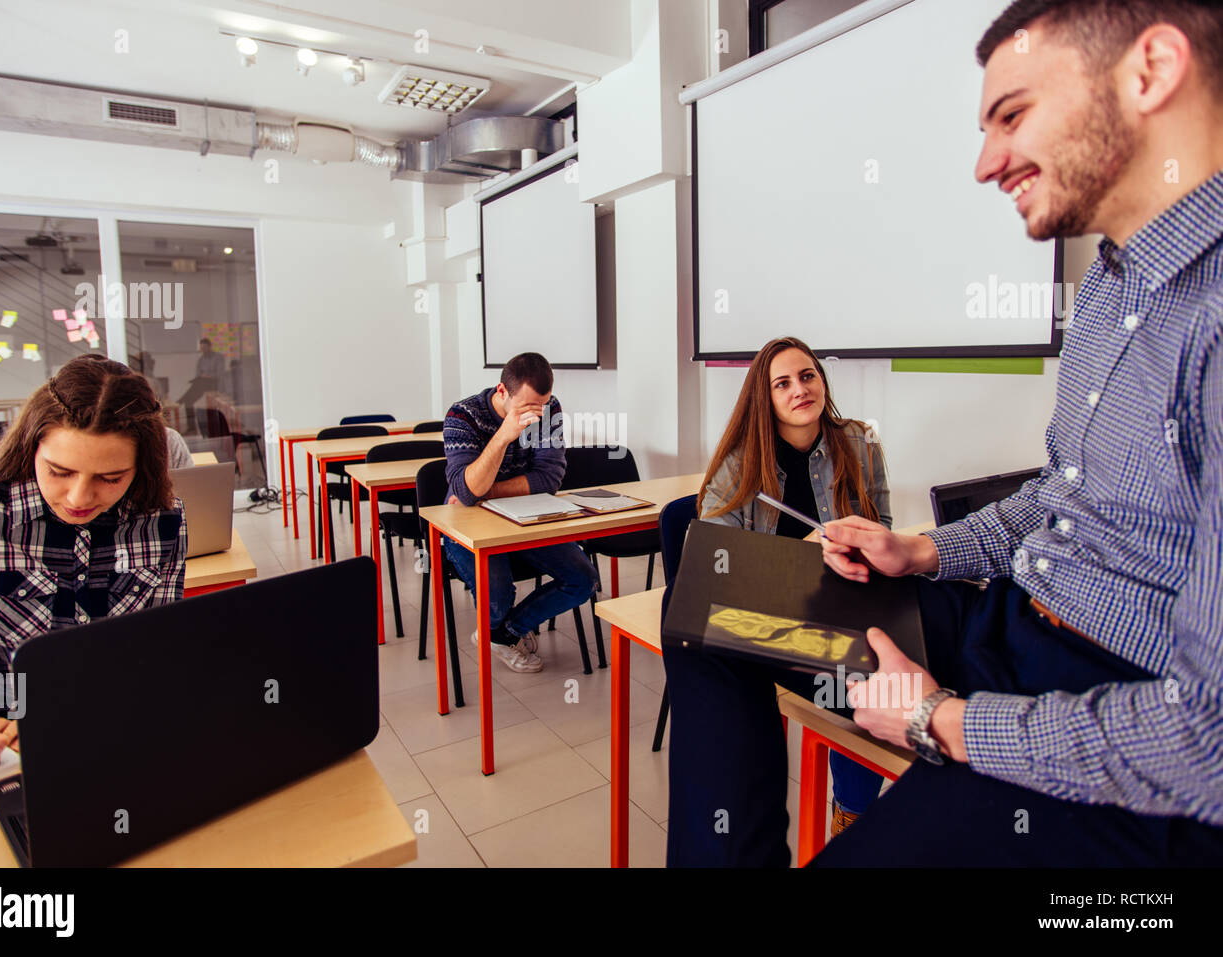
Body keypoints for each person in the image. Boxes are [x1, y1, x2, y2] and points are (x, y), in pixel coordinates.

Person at [667, 0, 1223, 867]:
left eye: (1012, 115)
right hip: (1001, 621)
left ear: (1150, 71)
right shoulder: (1113, 288)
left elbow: (1209, 739)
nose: (985, 162)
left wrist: (943, 720)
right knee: (705, 600)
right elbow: (1056, 493)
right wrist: (921, 553)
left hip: (1112, 710)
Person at [0, 354, 187, 781]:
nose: (79, 497)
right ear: (32, 446)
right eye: (59, 471)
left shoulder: (162, 520)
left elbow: (153, 656)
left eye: (111, 477)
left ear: (141, 468)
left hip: (106, 744)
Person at [678, 336, 891, 845]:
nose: (800, 389)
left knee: (892, 667)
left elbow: (883, 523)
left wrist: (864, 546)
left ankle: (855, 815)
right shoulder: (740, 461)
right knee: (858, 677)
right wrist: (801, 554)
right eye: (783, 383)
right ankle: (840, 819)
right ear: (765, 397)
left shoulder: (860, 442)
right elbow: (715, 565)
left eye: (808, 376)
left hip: (843, 598)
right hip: (764, 614)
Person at [442, 353, 596, 673]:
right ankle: (500, 627)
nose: (534, 416)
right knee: (498, 592)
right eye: (525, 408)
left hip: (527, 516)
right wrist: (503, 435)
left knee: (583, 579)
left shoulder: (548, 409)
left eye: (541, 406)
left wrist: (486, 492)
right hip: (466, 525)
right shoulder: (463, 415)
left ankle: (503, 633)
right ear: (502, 391)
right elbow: (466, 490)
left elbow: (548, 480)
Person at [178, 338, 224, 427]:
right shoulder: (201, 360)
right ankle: (191, 428)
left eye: (205, 348)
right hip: (202, 383)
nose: (203, 350)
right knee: (188, 401)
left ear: (210, 347)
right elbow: (198, 374)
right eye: (202, 348)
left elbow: (219, 374)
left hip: (214, 383)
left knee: (200, 382)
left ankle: (181, 400)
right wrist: (200, 377)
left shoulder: (218, 357)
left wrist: (206, 376)